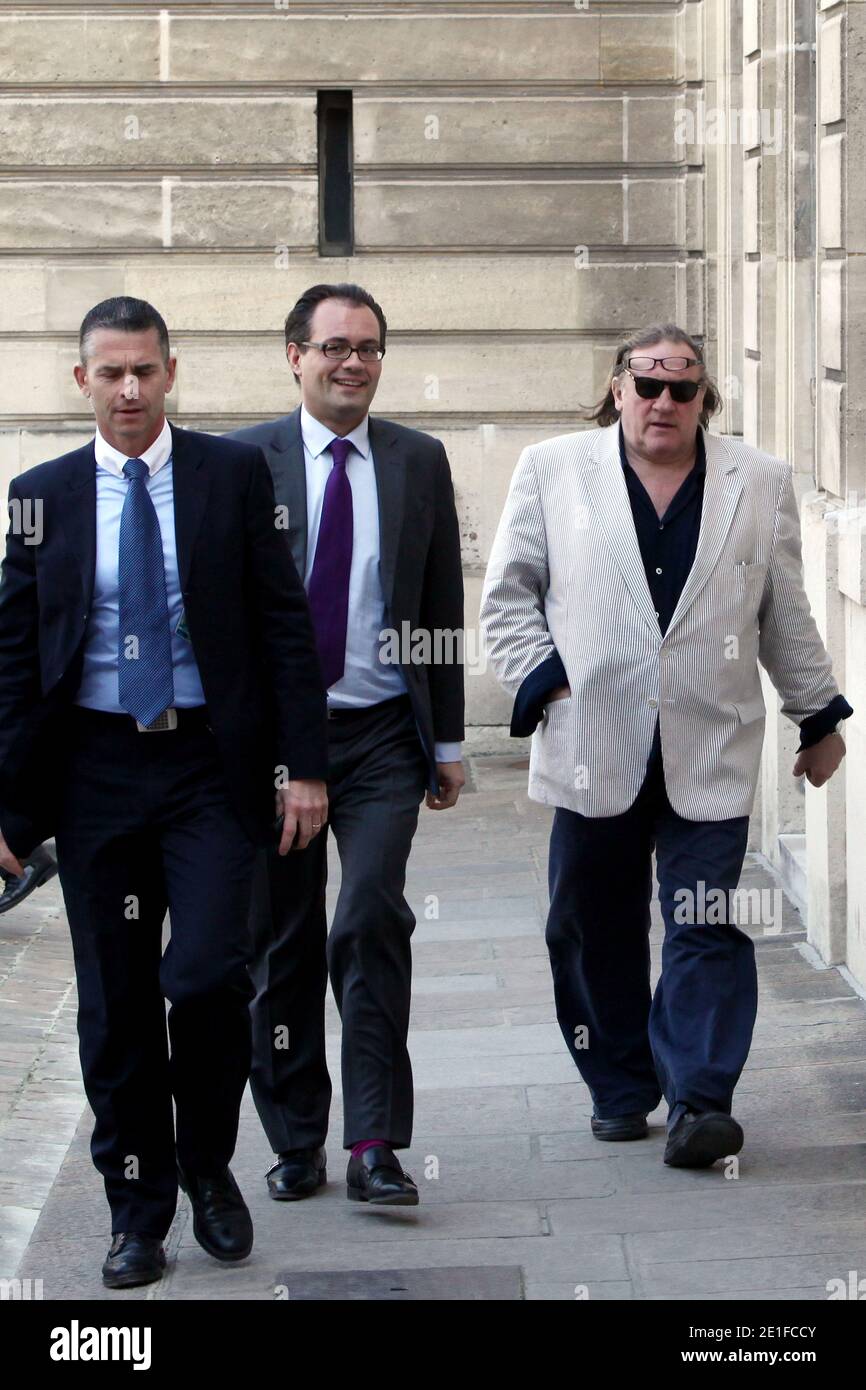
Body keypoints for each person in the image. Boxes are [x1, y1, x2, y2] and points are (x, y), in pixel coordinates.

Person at [0, 296, 328, 1287]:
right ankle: (136, 1210)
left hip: (207, 771)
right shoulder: (41, 494)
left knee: (206, 979)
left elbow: (282, 627)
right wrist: (9, 811)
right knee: (117, 1007)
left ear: (171, 372)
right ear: (83, 382)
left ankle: (209, 1166)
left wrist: (304, 765)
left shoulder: (230, 477)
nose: (131, 389)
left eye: (146, 370)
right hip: (96, 775)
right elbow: (14, 657)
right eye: (112, 373)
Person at [480, 324, 852, 1168]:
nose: (662, 402)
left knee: (705, 918)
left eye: (682, 389)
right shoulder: (554, 470)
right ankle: (618, 1087)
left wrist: (817, 717)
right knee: (588, 924)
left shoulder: (756, 482)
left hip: (710, 742)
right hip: (590, 742)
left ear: (703, 398)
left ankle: (700, 1101)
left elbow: (782, 610)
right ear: (618, 389)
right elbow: (508, 596)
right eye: (646, 384)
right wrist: (547, 686)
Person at [229, 282, 465, 1206]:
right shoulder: (243, 461)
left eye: (368, 348)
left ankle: (373, 1141)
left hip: (378, 741)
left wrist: (445, 740)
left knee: (367, 918)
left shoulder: (416, 460)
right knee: (279, 943)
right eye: (334, 347)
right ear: (295, 355)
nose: (352, 363)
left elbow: (439, 603)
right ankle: (295, 1140)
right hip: (275, 747)